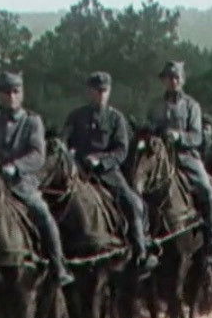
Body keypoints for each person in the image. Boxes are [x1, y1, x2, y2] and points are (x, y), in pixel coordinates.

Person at [0, 71, 75, 286]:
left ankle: (58, 265)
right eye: (6, 92)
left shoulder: (32, 122)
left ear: (21, 94)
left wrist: (16, 166)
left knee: (42, 213)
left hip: (22, 183)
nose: (11, 96)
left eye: (15, 92)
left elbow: (37, 155)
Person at [61, 71, 156, 271]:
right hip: (79, 171)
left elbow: (121, 150)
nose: (101, 94)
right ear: (89, 92)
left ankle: (140, 251)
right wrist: (73, 158)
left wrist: (101, 161)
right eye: (97, 91)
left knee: (132, 203)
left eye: (105, 91)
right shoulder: (76, 117)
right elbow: (64, 143)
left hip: (107, 173)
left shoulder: (116, 119)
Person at [148, 61, 212, 255]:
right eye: (169, 78)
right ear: (164, 81)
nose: (173, 82)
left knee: (207, 190)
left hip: (186, 157)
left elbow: (197, 136)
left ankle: (210, 238)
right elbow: (150, 130)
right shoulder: (156, 106)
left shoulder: (192, 106)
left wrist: (179, 137)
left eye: (177, 78)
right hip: (160, 158)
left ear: (182, 80)